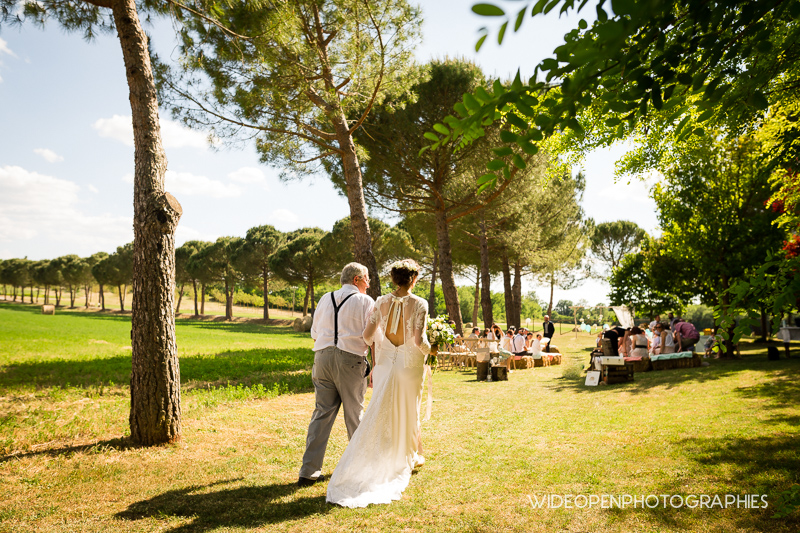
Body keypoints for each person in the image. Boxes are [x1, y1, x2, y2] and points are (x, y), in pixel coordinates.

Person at [326, 259, 430, 508]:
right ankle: (407, 456)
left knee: (382, 409)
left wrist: (383, 344)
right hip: (409, 365)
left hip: (385, 365)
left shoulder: (381, 302)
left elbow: (367, 336)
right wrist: (434, 349)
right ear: (414, 279)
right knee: (408, 410)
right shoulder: (420, 303)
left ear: (394, 279)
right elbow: (419, 341)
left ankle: (389, 455)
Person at [298, 262, 375, 486]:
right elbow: (371, 337)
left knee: (321, 414)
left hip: (321, 358)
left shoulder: (325, 298)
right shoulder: (365, 301)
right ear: (356, 279)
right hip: (350, 360)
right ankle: (359, 472)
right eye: (367, 279)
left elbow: (314, 333)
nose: (369, 284)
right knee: (354, 415)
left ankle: (308, 472)